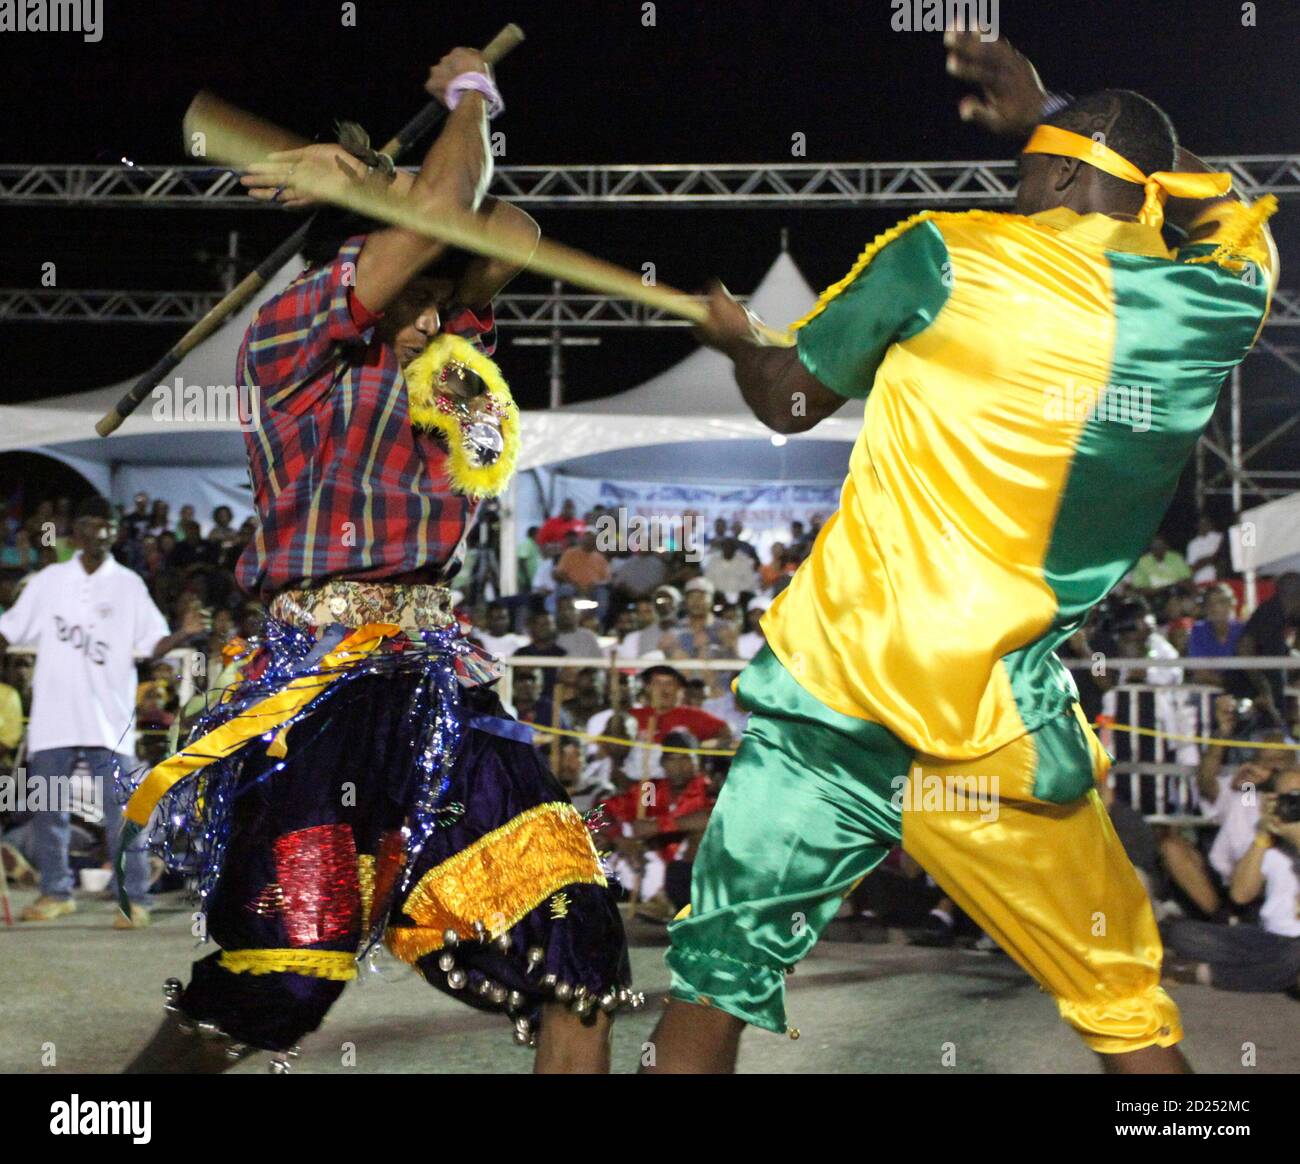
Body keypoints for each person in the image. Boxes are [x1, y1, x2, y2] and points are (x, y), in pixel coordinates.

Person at [646, 31, 1277, 1074]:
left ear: (1067, 170)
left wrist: (741, 342)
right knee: (1121, 1003)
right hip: (998, 736)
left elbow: (790, 403)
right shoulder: (1214, 302)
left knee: (717, 973)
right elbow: (1224, 211)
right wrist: (1054, 111)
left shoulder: (944, 252)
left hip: (835, 703)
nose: (1015, 180)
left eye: (1032, 163)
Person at [122, 49, 633, 1075]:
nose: (448, 316)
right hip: (317, 692)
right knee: (281, 976)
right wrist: (465, 98)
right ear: (370, 256)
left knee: (576, 942)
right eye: (424, 284)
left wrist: (381, 172)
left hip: (442, 688)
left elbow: (507, 227)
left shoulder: (447, 356)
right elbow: (450, 205)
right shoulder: (293, 337)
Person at [0, 496, 202, 926]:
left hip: (110, 723)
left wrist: (183, 634)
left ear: (115, 532)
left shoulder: (128, 584)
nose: (102, 533)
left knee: (124, 815)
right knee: (49, 811)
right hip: (54, 720)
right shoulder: (48, 580)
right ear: (76, 533)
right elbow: (10, 630)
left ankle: (134, 901)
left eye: (109, 526)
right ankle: (56, 894)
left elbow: (152, 644)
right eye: (93, 525)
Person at [1164, 768, 1300, 993]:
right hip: (1268, 938)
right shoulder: (1265, 830)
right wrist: (1263, 835)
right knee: (1184, 935)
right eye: (1288, 798)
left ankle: (1199, 973)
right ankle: (1279, 975)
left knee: (1295, 955)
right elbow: (1240, 894)